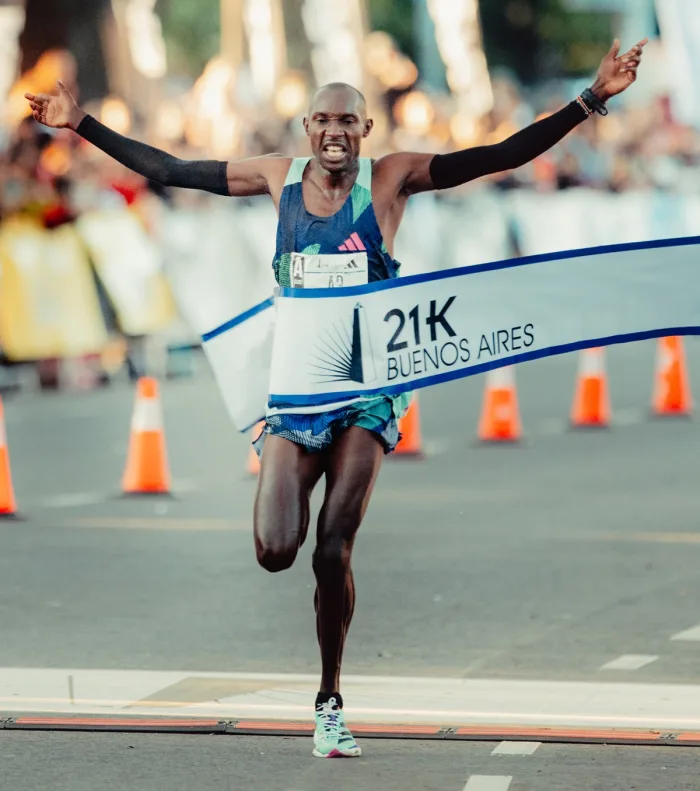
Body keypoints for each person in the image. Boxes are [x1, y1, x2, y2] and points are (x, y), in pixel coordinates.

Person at [26, 36, 646, 758]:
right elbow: (171, 169)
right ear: (306, 129)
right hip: (295, 392)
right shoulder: (274, 178)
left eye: (347, 122)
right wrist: (81, 123)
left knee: (332, 547)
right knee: (274, 550)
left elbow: (499, 156)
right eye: (322, 121)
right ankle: (288, 490)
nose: (334, 132)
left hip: (368, 391)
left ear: (365, 131)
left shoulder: (390, 181)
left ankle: (329, 698)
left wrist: (591, 98)